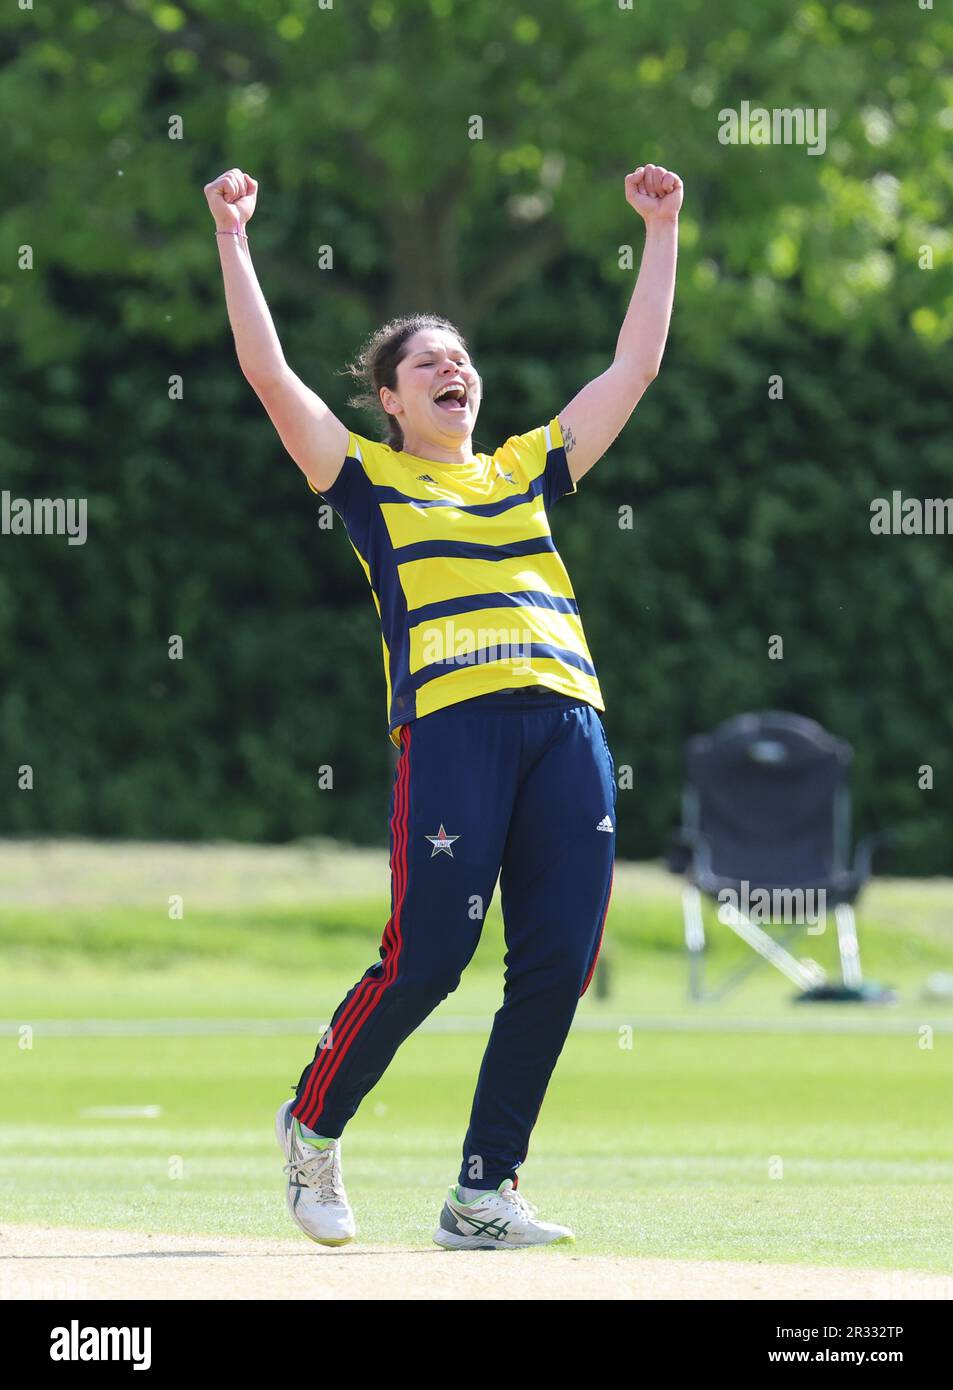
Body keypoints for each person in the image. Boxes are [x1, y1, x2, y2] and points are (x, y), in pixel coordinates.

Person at [205, 161, 681, 1250]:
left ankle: (481, 1192)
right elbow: (272, 377)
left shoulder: (524, 466)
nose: (449, 368)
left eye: (458, 359)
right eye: (425, 363)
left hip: (566, 722)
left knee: (558, 960)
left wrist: (659, 230)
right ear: (390, 398)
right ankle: (313, 1121)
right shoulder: (368, 478)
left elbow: (635, 365)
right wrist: (234, 237)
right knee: (427, 954)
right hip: (454, 728)